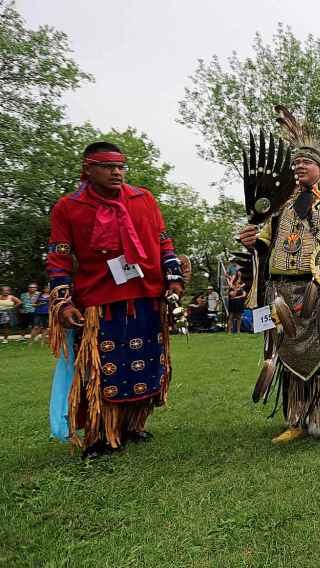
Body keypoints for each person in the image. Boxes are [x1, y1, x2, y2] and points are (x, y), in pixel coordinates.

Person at [238, 106, 320, 447]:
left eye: (306, 163)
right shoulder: (278, 207)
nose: (299, 167)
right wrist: (253, 241)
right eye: (296, 163)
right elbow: (265, 245)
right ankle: (295, 420)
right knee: (288, 358)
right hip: (281, 293)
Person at [46, 141, 184, 458]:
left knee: (145, 365)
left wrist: (173, 278)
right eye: (108, 167)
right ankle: (100, 434)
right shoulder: (69, 207)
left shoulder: (143, 199)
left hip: (146, 295)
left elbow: (164, 241)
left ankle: (131, 426)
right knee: (103, 370)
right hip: (98, 302)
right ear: (88, 169)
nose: (117, 172)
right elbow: (59, 259)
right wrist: (64, 303)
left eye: (121, 166)